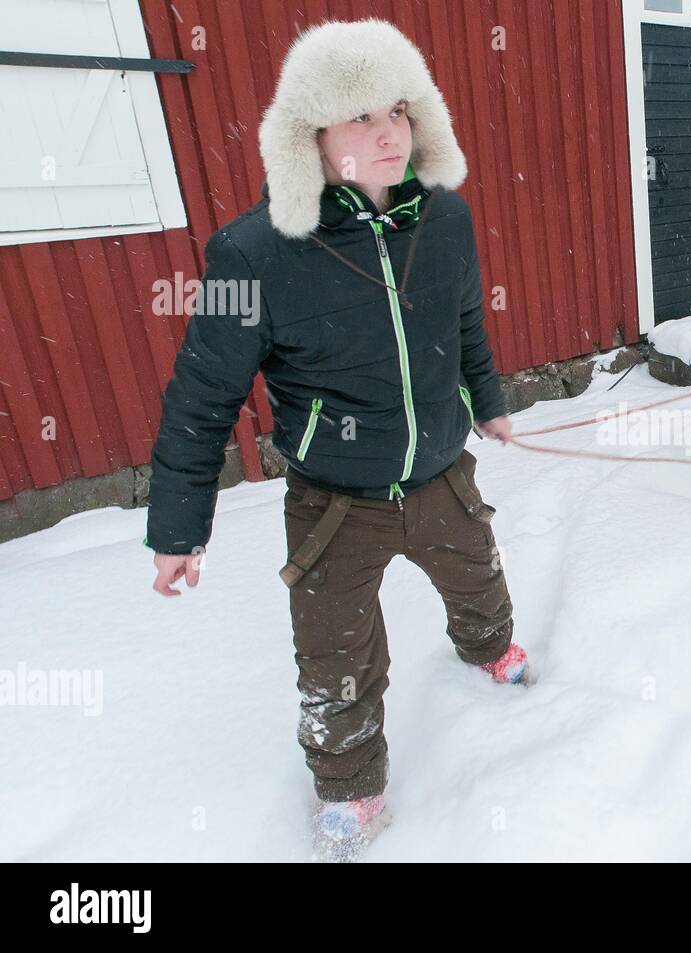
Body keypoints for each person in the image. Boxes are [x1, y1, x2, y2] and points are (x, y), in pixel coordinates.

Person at [142, 18, 527, 861]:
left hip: (441, 471)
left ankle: (491, 648)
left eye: (398, 110)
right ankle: (352, 788)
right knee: (333, 656)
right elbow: (203, 394)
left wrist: (488, 401)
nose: (389, 133)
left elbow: (467, 323)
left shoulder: (447, 218)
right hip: (334, 501)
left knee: (478, 575)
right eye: (360, 116)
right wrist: (178, 526)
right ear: (309, 135)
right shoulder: (252, 253)